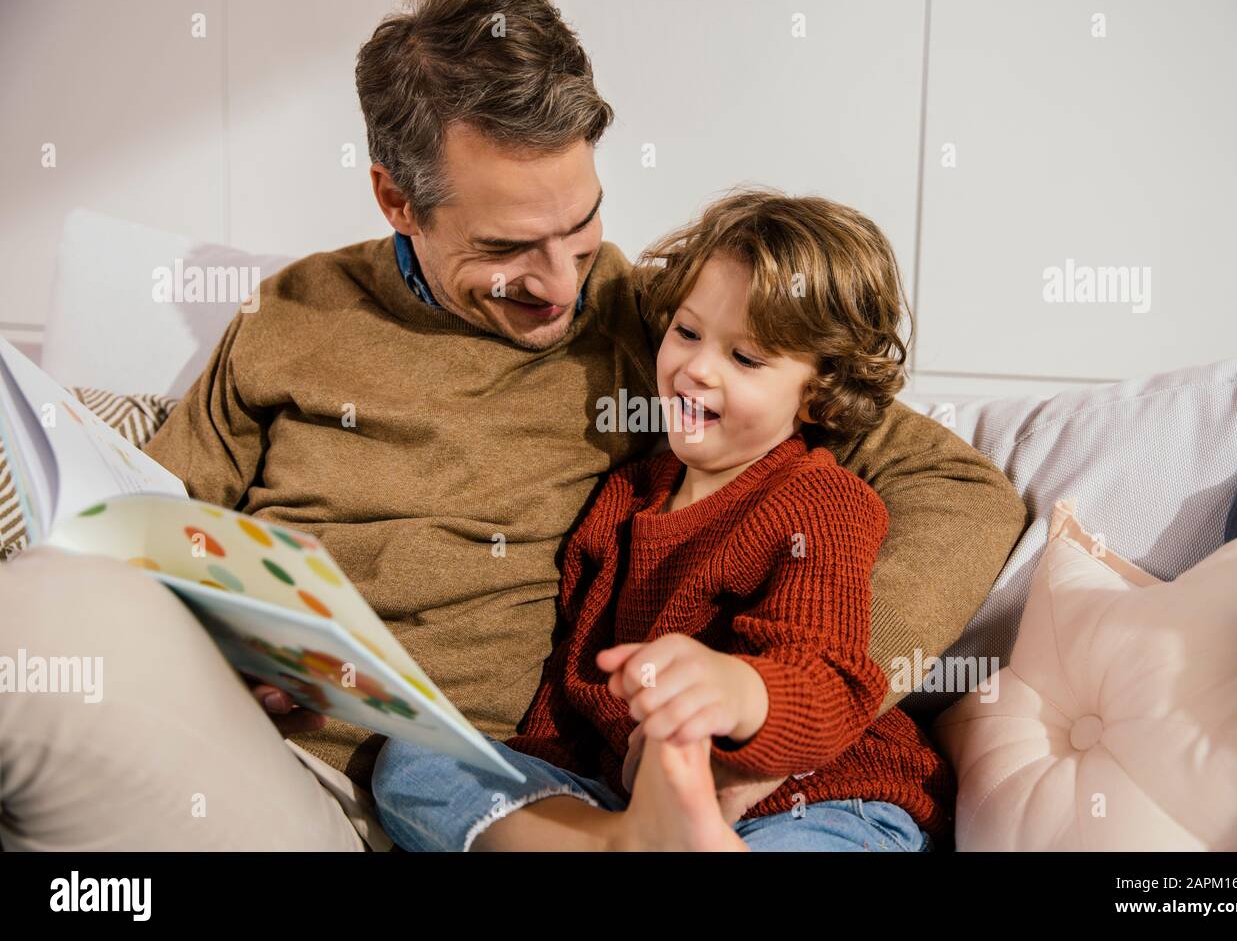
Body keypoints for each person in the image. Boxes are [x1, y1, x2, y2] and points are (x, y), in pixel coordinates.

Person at [0, 0, 1025, 851]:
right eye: (505, 247)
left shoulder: (658, 323)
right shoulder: (290, 316)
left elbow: (956, 489)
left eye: (579, 228)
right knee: (43, 613)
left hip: (526, 787)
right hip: (287, 765)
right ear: (397, 200)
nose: (555, 285)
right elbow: (150, 522)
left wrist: (770, 713)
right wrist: (241, 632)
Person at [373, 189, 958, 851]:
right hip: (634, 808)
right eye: (687, 332)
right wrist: (547, 778)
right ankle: (615, 844)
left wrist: (737, 689)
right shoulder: (623, 498)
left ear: (821, 393)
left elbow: (829, 680)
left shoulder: (820, 500)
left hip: (819, 799)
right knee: (415, 760)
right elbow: (569, 687)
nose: (697, 368)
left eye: (745, 358)